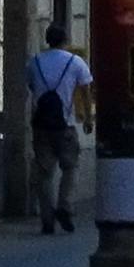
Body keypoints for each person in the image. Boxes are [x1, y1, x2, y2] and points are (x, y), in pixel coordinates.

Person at [27, 20, 93, 234]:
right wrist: (88, 118)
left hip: (42, 125)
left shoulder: (34, 62)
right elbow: (85, 90)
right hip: (65, 125)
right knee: (70, 167)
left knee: (43, 172)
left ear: (47, 40)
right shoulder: (75, 62)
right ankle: (65, 205)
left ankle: (47, 218)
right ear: (65, 40)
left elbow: (30, 86)